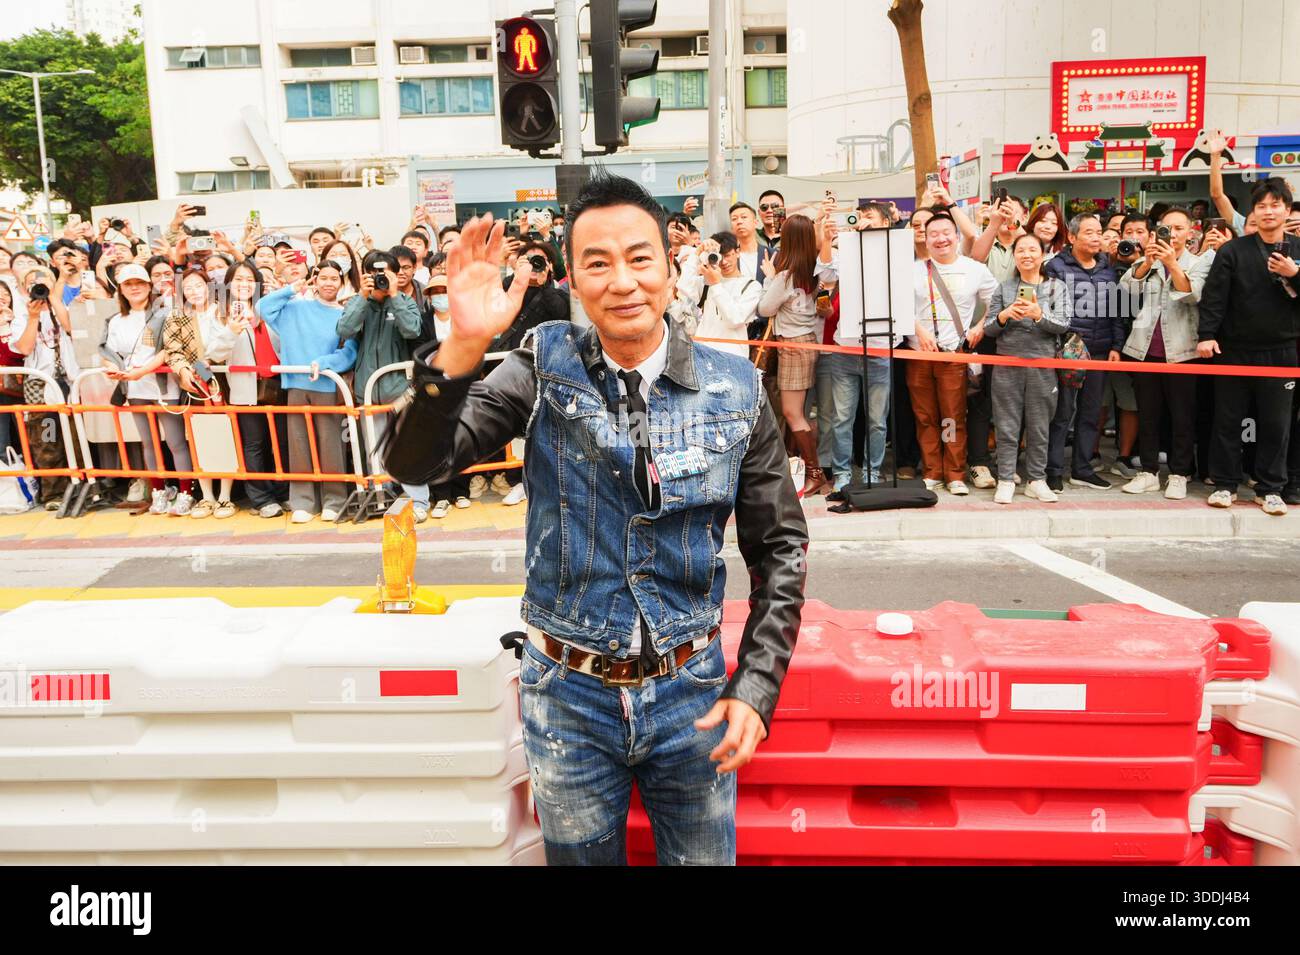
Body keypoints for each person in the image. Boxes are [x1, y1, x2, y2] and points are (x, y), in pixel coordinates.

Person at [382, 169, 807, 866]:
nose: (623, 281)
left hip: (692, 693)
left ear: (672, 268)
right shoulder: (543, 362)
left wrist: (756, 688)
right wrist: (458, 348)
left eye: (640, 258)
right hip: (566, 696)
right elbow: (415, 463)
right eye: (597, 263)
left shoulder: (737, 388)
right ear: (574, 283)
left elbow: (781, 548)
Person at [1197, 178, 1300, 515]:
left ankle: (1271, 488)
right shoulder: (1233, 250)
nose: (1269, 211)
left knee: (1276, 423)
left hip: (1282, 350)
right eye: (1262, 206)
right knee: (1227, 419)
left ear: (1287, 209)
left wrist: (1294, 274)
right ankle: (1225, 484)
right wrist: (1207, 335)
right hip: (1234, 349)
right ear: (1253, 212)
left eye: (1275, 205)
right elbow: (1214, 298)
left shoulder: (1298, 249)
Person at [1118, 207, 1213, 500]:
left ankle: (1179, 473)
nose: (1172, 234)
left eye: (1178, 228)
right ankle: (1148, 472)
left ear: (1190, 232)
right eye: (1166, 228)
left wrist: (1172, 264)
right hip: (1144, 349)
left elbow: (1192, 294)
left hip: (1182, 351)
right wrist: (1148, 261)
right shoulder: (1151, 260)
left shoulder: (1200, 262)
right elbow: (1125, 289)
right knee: (1148, 414)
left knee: (1182, 417)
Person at [256, 263, 358, 524]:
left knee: (330, 445)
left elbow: (349, 351)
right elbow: (262, 308)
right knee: (298, 445)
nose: (328, 283)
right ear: (314, 280)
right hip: (295, 384)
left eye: (334, 278)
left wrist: (325, 363)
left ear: (342, 282)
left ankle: (334, 501)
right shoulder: (294, 308)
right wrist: (291, 288)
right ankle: (303, 502)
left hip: (326, 383)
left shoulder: (345, 313)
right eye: (323, 277)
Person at [907, 211, 999, 495]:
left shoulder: (974, 269)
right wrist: (918, 331)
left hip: (953, 355)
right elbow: (898, 306)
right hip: (919, 355)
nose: (940, 239)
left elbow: (996, 302)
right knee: (925, 416)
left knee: (951, 416)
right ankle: (932, 470)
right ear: (925, 238)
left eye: (946, 232)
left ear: (957, 237)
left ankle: (955, 473)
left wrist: (980, 327)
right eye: (933, 234)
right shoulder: (914, 269)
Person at [337, 250, 430, 521]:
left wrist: (393, 295)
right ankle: (382, 496)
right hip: (368, 390)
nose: (379, 278)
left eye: (385, 273)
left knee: (407, 446)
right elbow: (344, 330)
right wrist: (364, 298)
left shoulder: (405, 301)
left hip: (399, 390)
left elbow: (412, 329)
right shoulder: (358, 302)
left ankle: (418, 502)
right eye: (374, 273)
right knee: (374, 448)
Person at [100, 264, 195, 516]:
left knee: (176, 442)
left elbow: (168, 349)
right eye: (128, 284)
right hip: (134, 387)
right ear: (120, 289)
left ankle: (186, 492)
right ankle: (159, 492)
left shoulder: (165, 314)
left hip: (165, 386)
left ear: (149, 286)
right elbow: (107, 352)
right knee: (149, 443)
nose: (134, 288)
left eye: (139, 283)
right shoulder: (115, 320)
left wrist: (141, 371)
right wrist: (113, 369)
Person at [984, 233, 1071, 504]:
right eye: (1020, 250)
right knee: (1007, 425)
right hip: (1007, 365)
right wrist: (1004, 315)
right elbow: (988, 328)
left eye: (1032, 250)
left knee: (1039, 426)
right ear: (1014, 256)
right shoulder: (1005, 287)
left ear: (1043, 254)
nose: (1026, 255)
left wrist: (1038, 315)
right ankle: (1007, 479)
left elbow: (1063, 324)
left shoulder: (1057, 287)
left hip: (1043, 365)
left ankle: (1036, 479)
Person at [1044, 213, 1127, 492]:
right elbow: (1050, 309)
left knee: (1091, 412)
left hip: (1102, 350)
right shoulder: (1056, 267)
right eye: (1089, 232)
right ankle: (1053, 469)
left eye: (1099, 232)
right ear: (1072, 236)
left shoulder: (1107, 268)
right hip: (1069, 349)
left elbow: (1117, 310)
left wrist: (1116, 345)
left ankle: (1082, 468)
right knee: (1062, 412)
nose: (1095, 237)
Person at [757, 214, 832, 496]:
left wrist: (769, 278)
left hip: (792, 346)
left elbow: (765, 308)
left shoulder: (786, 276)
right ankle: (809, 470)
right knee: (799, 412)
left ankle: (815, 473)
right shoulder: (815, 272)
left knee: (792, 413)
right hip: (808, 343)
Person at [163, 267, 237, 518]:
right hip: (192, 381)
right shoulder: (177, 316)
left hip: (221, 380)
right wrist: (183, 370)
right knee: (197, 438)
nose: (194, 291)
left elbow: (228, 345)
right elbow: (172, 350)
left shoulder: (223, 310)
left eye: (199, 285)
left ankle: (226, 497)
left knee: (225, 436)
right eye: (188, 287)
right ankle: (206, 496)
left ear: (209, 286)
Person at [218, 261, 289, 518]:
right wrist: (231, 331)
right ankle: (260, 498)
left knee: (281, 442)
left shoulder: (269, 311)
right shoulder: (220, 314)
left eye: (249, 279)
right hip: (246, 391)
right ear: (228, 283)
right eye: (238, 279)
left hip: (278, 385)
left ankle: (283, 492)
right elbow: (211, 354)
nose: (244, 284)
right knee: (254, 444)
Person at [8, 266, 81, 507]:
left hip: (70, 382)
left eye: (43, 282)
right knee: (47, 437)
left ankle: (85, 485)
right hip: (41, 387)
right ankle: (54, 493)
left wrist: (53, 297)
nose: (39, 286)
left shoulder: (64, 309)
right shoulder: (20, 318)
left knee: (75, 436)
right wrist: (33, 318)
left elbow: (71, 327)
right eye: (32, 283)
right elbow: (26, 348)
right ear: (24, 289)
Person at [414, 267, 473, 519]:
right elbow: (419, 351)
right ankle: (440, 496)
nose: (439, 296)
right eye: (434, 292)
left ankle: (461, 491)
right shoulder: (424, 321)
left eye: (444, 291)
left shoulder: (464, 319)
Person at [674, 232, 761, 360]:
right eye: (719, 257)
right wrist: (697, 253)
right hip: (703, 353)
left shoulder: (751, 286)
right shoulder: (706, 281)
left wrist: (716, 284)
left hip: (733, 357)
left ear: (737, 252)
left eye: (727, 255)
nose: (724, 262)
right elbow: (683, 284)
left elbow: (734, 319)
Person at [729, 201, 775, 285]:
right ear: (731, 227)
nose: (739, 221)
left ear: (755, 222)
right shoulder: (728, 257)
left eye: (744, 217)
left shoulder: (772, 254)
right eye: (734, 219)